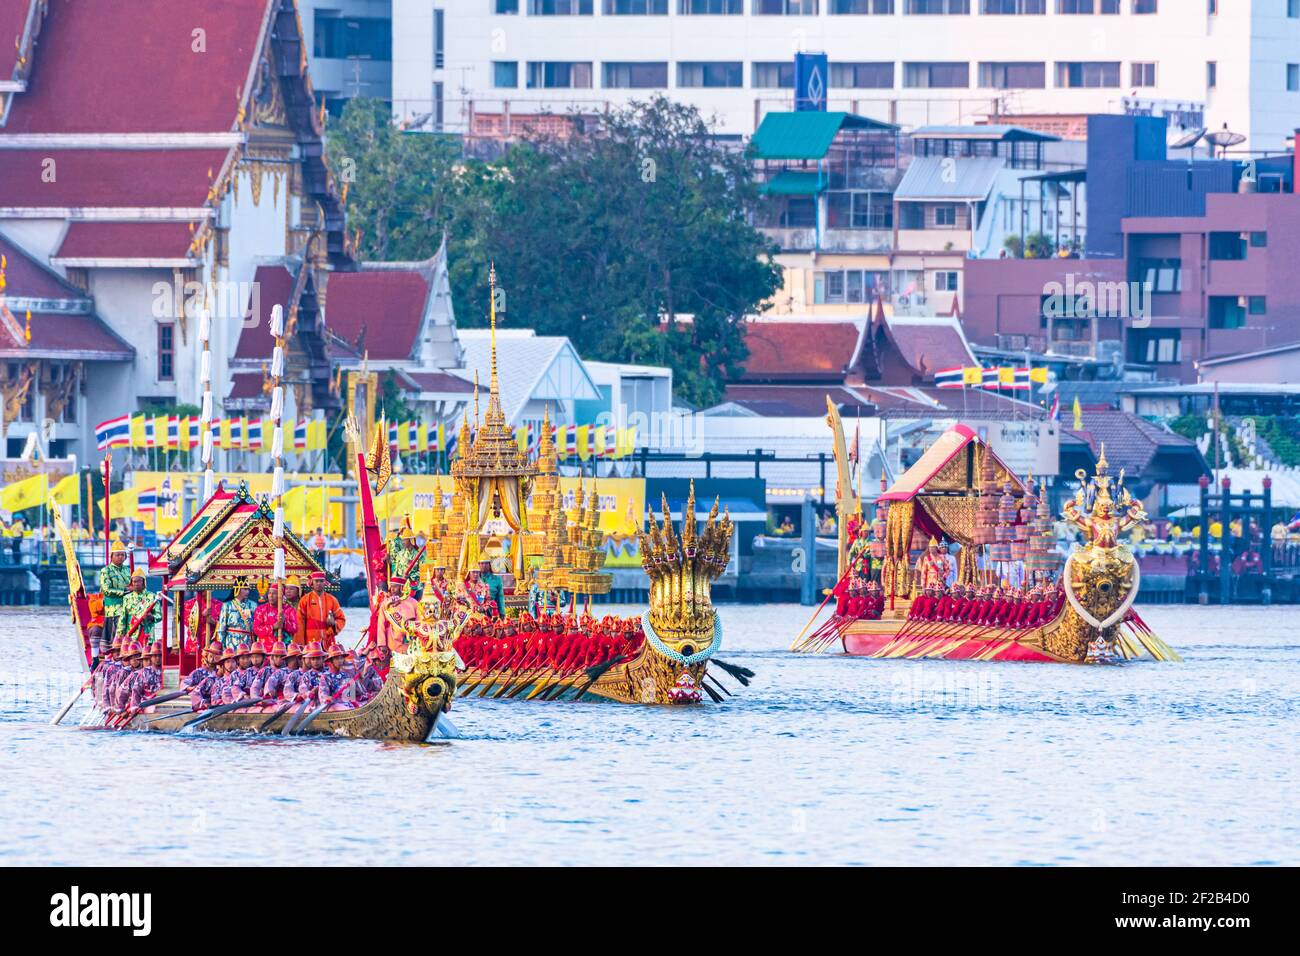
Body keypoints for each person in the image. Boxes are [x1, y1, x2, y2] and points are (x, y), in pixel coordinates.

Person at [98, 542, 131, 650]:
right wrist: (124, 591)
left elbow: (132, 584)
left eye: (122, 555)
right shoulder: (105, 571)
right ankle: (115, 651)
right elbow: (106, 590)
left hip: (128, 604)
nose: (120, 557)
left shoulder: (127, 570)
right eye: (117, 555)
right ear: (111, 556)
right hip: (113, 606)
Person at [297, 571, 345, 644]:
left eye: (321, 581)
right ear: (312, 582)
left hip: (328, 640)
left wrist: (334, 623)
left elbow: (341, 619)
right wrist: (300, 643)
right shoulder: (305, 599)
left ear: (324, 582)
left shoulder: (332, 600)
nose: (319, 583)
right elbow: (299, 622)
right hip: (310, 640)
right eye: (316, 581)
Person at [119, 568, 160, 642]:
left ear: (143, 582)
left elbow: (159, 615)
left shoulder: (152, 597)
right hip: (131, 635)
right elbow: (122, 618)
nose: (136, 584)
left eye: (139, 581)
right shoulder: (126, 598)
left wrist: (151, 617)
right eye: (134, 582)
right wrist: (120, 635)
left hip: (147, 634)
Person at [253, 582, 299, 647]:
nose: (271, 596)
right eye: (269, 593)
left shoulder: (289, 609)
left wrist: (284, 622)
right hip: (266, 648)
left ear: (281, 596)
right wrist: (273, 627)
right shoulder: (261, 609)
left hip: (284, 648)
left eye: (274, 593)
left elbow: (294, 629)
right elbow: (256, 629)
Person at [217, 578, 257, 649]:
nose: (247, 592)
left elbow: (256, 627)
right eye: (245, 589)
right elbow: (221, 628)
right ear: (237, 589)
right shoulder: (227, 605)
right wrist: (221, 647)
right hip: (231, 643)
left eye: (248, 589)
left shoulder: (253, 605)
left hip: (248, 643)